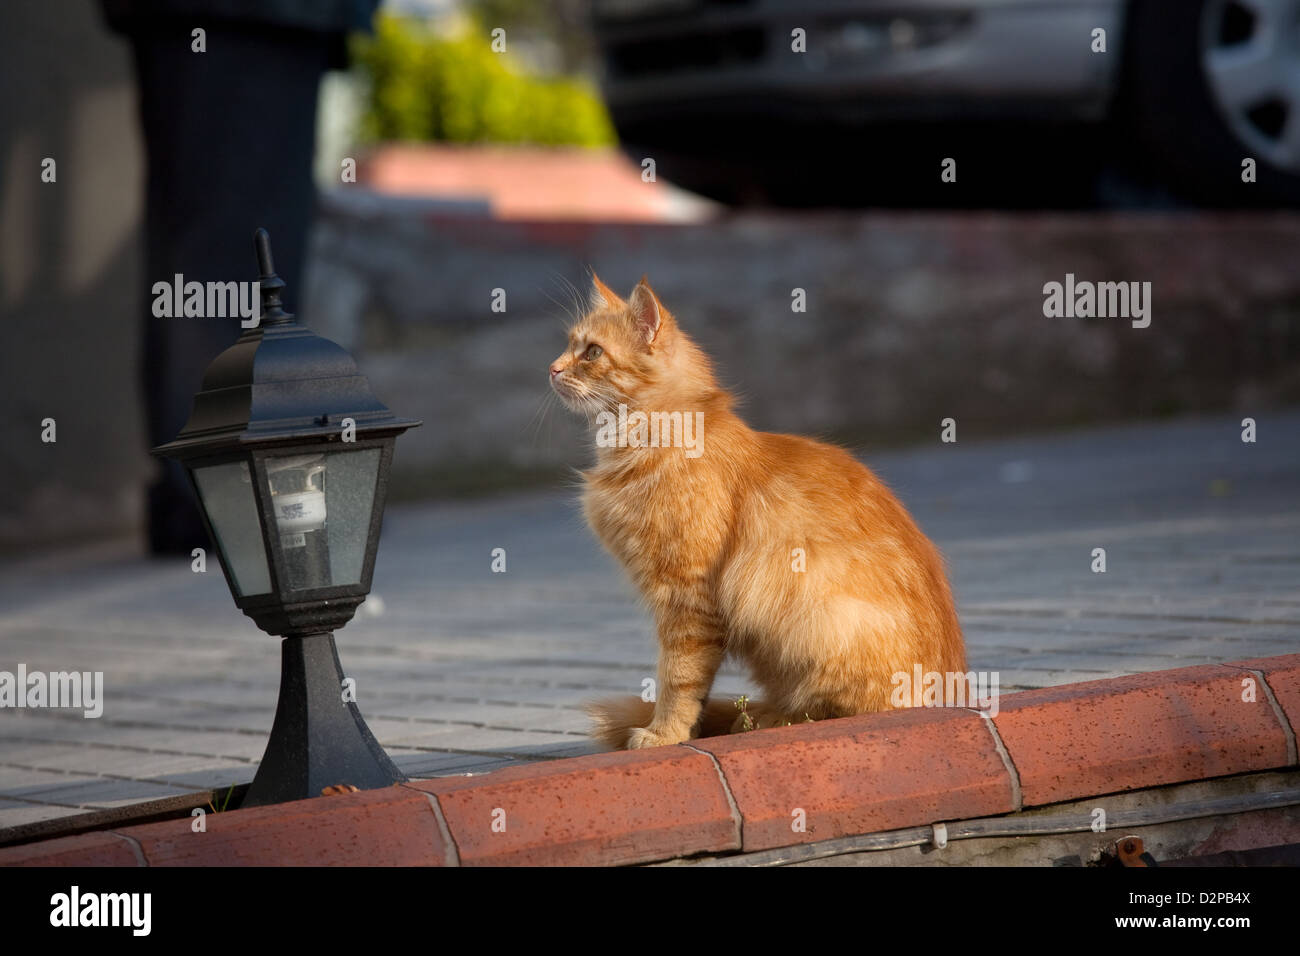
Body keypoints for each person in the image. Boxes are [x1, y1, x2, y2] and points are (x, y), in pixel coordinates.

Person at [99, 0, 381, 554]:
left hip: (264, 17)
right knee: (233, 243)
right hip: (248, 13)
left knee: (237, 241)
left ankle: (215, 493)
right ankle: (219, 497)